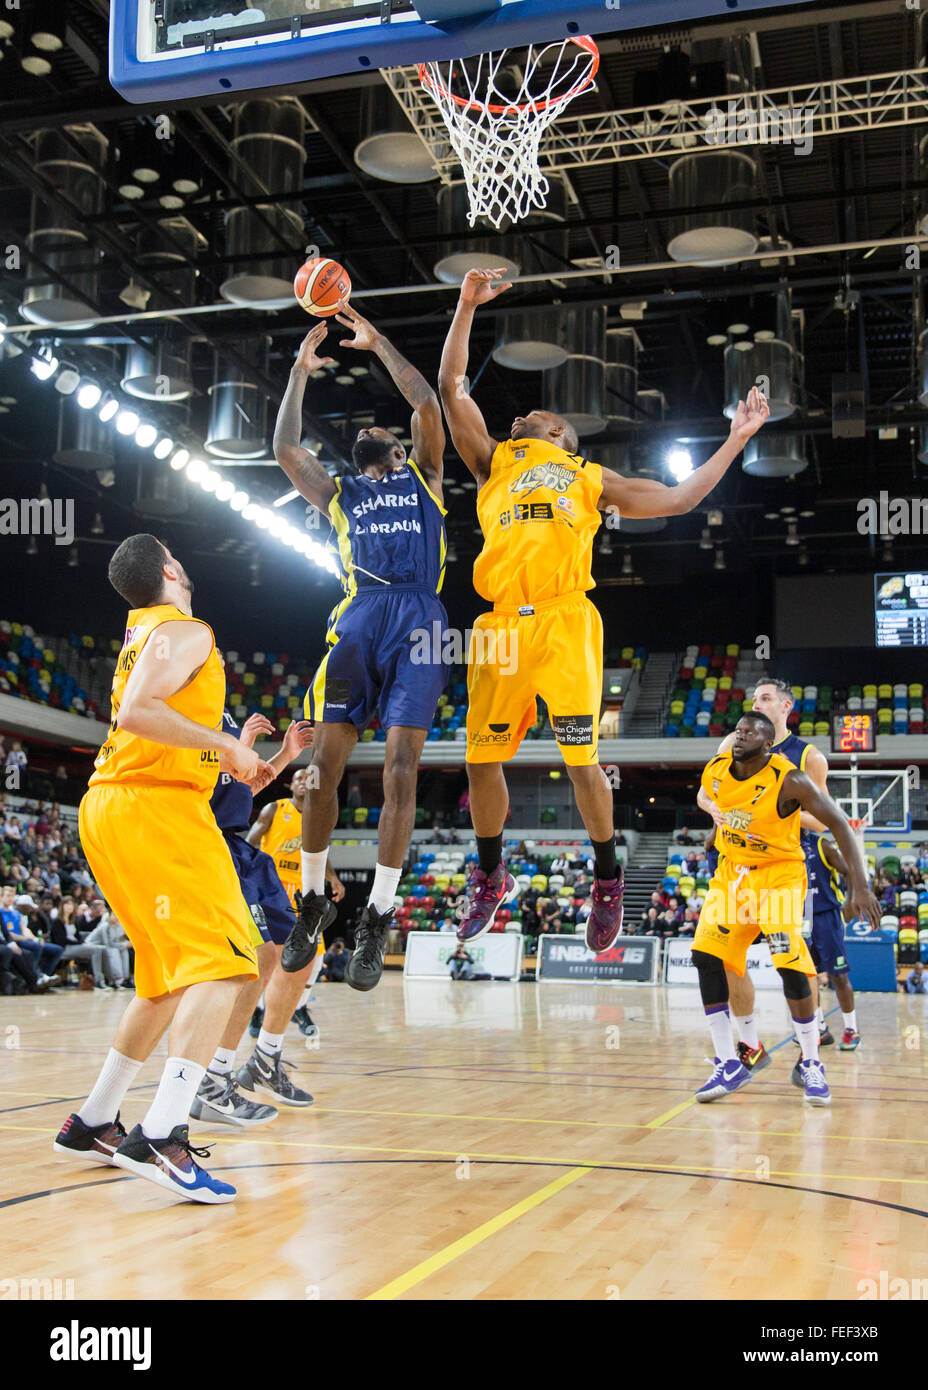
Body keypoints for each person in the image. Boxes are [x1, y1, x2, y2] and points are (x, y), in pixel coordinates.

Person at [437, 266, 770, 956]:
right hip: (500, 623)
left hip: (565, 619)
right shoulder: (493, 461)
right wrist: (465, 306)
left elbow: (679, 499)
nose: (520, 417)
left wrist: (736, 440)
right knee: (479, 761)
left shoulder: (591, 478)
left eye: (534, 416)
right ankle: (491, 872)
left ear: (561, 432)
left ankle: (608, 876)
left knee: (581, 759)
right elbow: (451, 387)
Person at [52, 534, 274, 1205]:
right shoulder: (186, 629)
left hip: (115, 807)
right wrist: (225, 742)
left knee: (164, 982)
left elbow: (152, 722)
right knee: (228, 965)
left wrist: (230, 758)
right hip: (155, 811)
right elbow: (137, 712)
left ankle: (95, 1119)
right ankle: (162, 1133)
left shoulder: (142, 633)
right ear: (171, 570)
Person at [273, 305, 446, 993]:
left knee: (401, 770)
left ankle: (377, 915)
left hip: (420, 622)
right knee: (321, 767)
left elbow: (426, 402)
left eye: (383, 430)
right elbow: (286, 449)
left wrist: (378, 344)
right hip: (359, 619)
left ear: (399, 450)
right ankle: (314, 899)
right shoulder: (339, 492)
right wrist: (298, 372)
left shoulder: (425, 475)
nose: (372, 429)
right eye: (365, 432)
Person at [690, 712, 880, 1107]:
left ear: (768, 744)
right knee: (705, 957)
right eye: (738, 730)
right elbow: (712, 800)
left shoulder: (790, 779)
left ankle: (811, 1061)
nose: (739, 736)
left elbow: (839, 824)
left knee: (789, 964)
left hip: (779, 877)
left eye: (749, 732)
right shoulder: (716, 769)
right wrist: (713, 821)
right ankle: (729, 1062)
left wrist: (860, 887)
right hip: (732, 875)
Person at [201, 723, 342, 1121]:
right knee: (259, 960)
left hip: (247, 859)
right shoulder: (189, 715)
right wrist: (241, 747)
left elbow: (238, 788)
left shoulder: (223, 717)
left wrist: (282, 756)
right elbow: (201, 784)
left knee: (301, 953)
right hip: (212, 846)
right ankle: (215, 1074)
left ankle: (265, 1057)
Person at [697, 677, 833, 1073]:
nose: (757, 703)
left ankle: (810, 1043)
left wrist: (772, 814)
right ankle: (750, 1043)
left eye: (766, 698)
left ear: (786, 707)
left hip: (784, 866)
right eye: (754, 698)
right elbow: (707, 792)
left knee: (791, 956)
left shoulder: (808, 757)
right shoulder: (732, 743)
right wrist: (713, 810)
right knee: (723, 957)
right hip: (736, 864)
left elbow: (823, 821)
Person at [246, 766, 345, 1043]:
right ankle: (258, 1010)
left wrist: (333, 878)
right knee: (269, 956)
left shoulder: (318, 817)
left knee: (316, 957)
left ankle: (298, 1007)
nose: (303, 782)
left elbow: (320, 853)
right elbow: (250, 842)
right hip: (273, 890)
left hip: (305, 894)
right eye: (298, 778)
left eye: (308, 778)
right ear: (291, 785)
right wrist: (249, 876)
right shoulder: (274, 809)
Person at [801, 831, 862, 1054]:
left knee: (838, 975)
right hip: (801, 918)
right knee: (808, 977)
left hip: (827, 916)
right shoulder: (785, 844)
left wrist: (851, 900)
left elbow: (849, 871)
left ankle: (851, 1030)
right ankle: (819, 1028)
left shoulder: (822, 845)